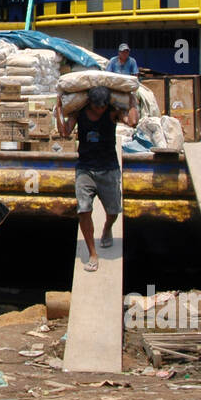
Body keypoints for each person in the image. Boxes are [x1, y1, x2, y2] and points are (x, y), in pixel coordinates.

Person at [56, 85, 139, 271]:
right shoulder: (79, 114)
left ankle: (107, 228)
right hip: (85, 168)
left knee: (113, 211)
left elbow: (132, 122)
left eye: (103, 106)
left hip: (108, 168)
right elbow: (64, 133)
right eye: (97, 106)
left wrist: (132, 102)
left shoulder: (112, 113)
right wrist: (59, 109)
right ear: (90, 103)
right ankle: (93, 253)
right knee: (83, 210)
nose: (100, 109)